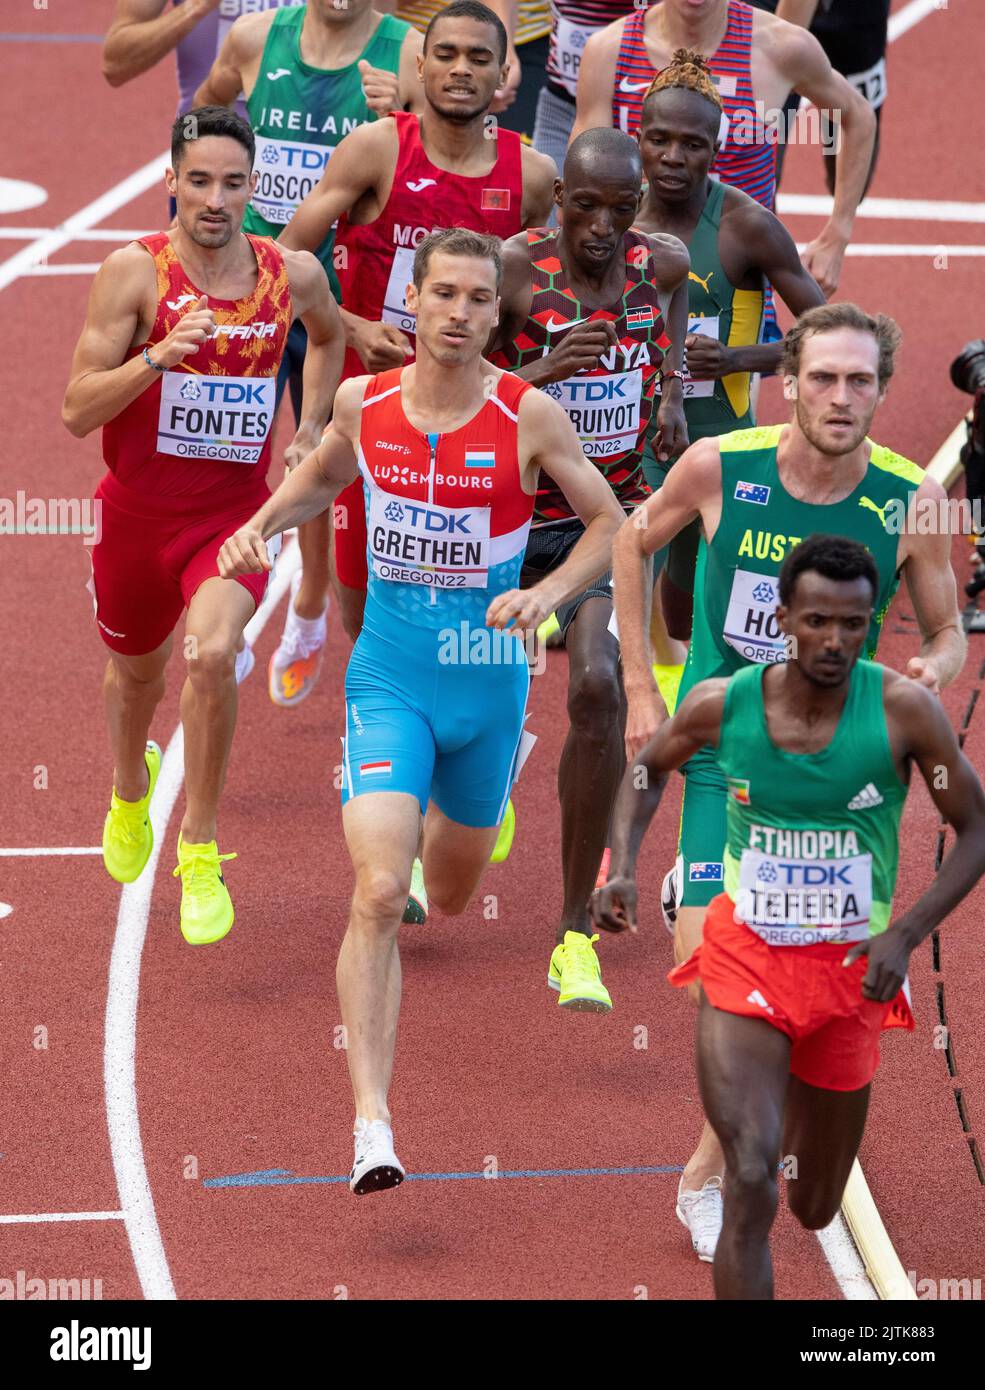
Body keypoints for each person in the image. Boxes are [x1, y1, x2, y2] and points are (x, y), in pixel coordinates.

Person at [217, 228, 626, 1192]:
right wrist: (258, 527)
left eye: (476, 299)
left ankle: (485, 784)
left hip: (488, 680)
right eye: (439, 294)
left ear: (497, 314)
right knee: (376, 894)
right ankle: (372, 1126)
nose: (455, 313)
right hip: (390, 676)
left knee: (446, 895)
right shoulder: (365, 403)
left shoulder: (529, 417)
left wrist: (548, 594)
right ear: (415, 303)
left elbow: (613, 523)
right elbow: (320, 472)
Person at [609, 302, 966, 1260]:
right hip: (731, 742)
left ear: (883, 392)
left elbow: (945, 631)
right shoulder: (720, 466)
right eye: (822, 378)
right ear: (789, 382)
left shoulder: (913, 498)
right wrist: (645, 685)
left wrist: (926, 676)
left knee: (810, 958)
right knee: (718, 973)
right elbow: (632, 539)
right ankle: (720, 1166)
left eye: (859, 382)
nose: (839, 397)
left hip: (841, 762)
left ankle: (753, 1149)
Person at [592, 535, 985, 1300]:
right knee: (749, 1173)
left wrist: (904, 932)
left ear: (870, 622)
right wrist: (624, 864)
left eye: (851, 623)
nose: (833, 640)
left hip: (850, 976)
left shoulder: (904, 714)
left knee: (810, 1203)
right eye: (816, 621)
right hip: (746, 962)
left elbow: (973, 825)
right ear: (783, 619)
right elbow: (646, 768)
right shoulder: (722, 703)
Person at [61, 107, 344, 945]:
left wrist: (309, 424)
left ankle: (200, 844)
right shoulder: (133, 274)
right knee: (135, 682)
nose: (215, 199)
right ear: (171, 182)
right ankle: (126, 787)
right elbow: (77, 411)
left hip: (232, 518)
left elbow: (326, 340)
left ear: (254, 187)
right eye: (199, 181)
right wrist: (154, 357)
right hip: (135, 519)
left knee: (214, 652)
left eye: (232, 183)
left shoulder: (287, 273)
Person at [277, 0, 556, 679]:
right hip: (371, 417)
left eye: (479, 58)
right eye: (448, 54)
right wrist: (352, 326)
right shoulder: (376, 148)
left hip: (476, 420)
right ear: (421, 64)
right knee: (364, 610)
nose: (461, 70)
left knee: (477, 607)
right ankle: (366, 680)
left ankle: (451, 747)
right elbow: (282, 267)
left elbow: (539, 297)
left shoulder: (533, 175)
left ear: (503, 76)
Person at [489, 126, 689, 1011]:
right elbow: (456, 394)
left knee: (599, 688)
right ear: (556, 199)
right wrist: (536, 373)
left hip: (605, 525)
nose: (603, 225)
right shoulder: (511, 273)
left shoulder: (664, 266)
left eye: (621, 206)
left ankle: (572, 930)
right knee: (473, 698)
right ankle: (467, 803)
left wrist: (673, 394)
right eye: (584, 206)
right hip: (500, 524)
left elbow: (669, 338)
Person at [194, 0, 423, 707]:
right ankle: (227, 611)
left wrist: (402, 113)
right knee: (226, 444)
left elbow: (437, 155)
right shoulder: (258, 37)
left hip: (348, 293)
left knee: (321, 453)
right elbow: (203, 120)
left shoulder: (408, 50)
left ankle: (309, 607)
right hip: (257, 281)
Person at [633, 49, 825, 646]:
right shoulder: (614, 216)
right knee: (620, 595)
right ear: (636, 138)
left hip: (720, 438)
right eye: (658, 139)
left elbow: (833, 334)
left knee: (690, 613)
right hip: (627, 436)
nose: (672, 156)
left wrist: (740, 359)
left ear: (716, 149)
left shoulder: (746, 226)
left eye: (691, 144)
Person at [571, 0, 877, 297]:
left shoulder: (779, 46)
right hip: (634, 277)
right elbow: (583, 177)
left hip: (739, 282)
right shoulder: (609, 50)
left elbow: (858, 115)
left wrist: (837, 235)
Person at [750, 1, 890, 196]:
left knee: (855, 172)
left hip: (855, 15)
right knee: (757, 172)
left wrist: (841, 221)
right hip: (771, 6)